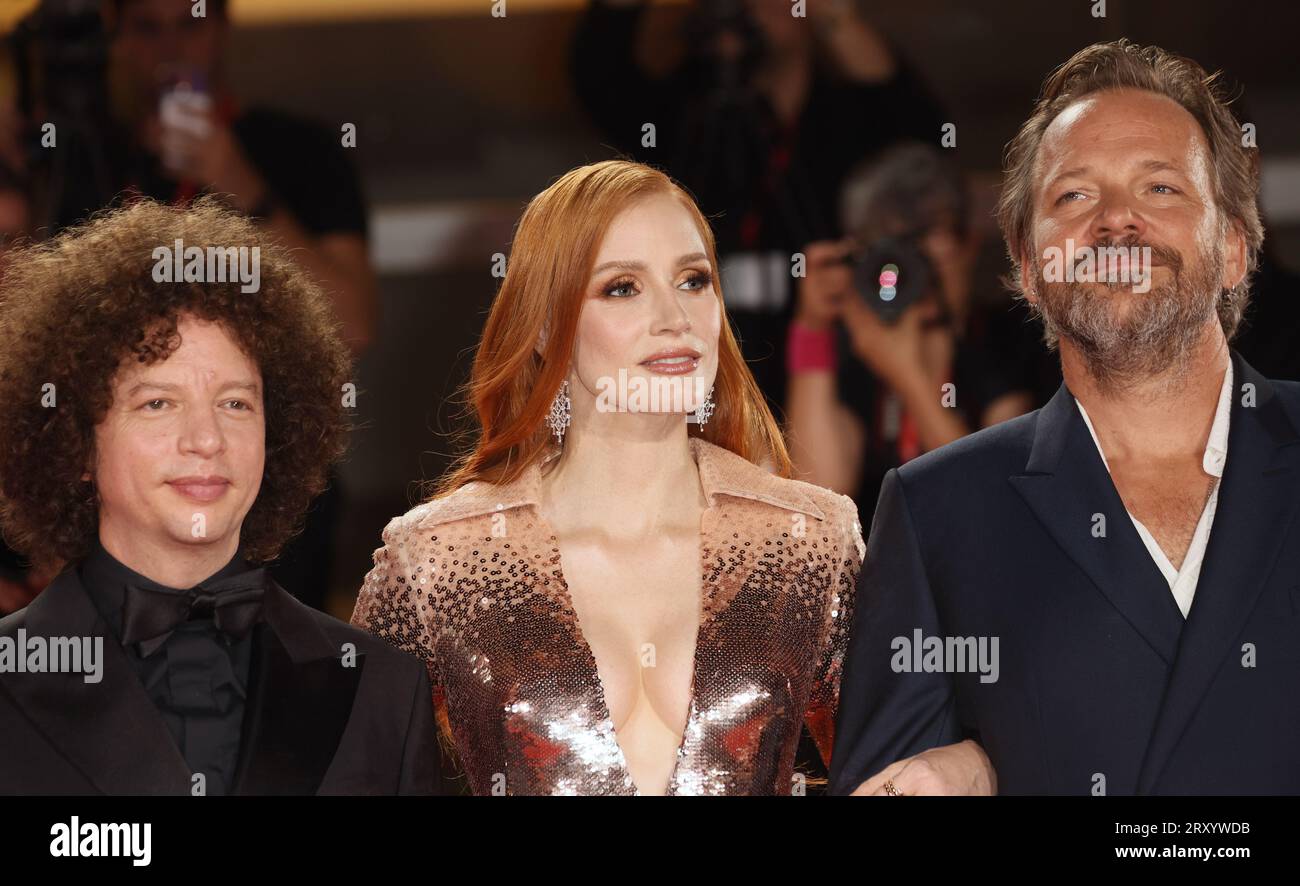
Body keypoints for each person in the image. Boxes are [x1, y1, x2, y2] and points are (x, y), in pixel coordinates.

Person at [830, 40, 1300, 795]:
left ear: (1236, 249)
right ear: (1026, 265)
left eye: (1160, 189)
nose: (1117, 222)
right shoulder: (936, 510)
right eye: (1074, 196)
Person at [352, 159, 874, 795]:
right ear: (545, 326)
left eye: (693, 280)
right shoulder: (441, 560)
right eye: (622, 287)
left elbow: (890, 772)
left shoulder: (807, 542)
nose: (674, 317)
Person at [0, 198, 437, 795]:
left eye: (236, 403)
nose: (206, 440)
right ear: (75, 443)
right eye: (158, 403)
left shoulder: (383, 688)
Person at [570, 0, 947, 413]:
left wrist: (836, 18)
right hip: (698, 382)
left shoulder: (844, 118)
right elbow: (599, 73)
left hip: (830, 375)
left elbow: (923, 141)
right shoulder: (685, 114)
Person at [786, 142, 1048, 526]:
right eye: (897, 252)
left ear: (968, 245)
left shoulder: (1014, 343)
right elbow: (814, 499)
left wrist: (908, 378)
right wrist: (812, 329)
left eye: (930, 247)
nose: (915, 273)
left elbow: (996, 512)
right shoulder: (857, 355)